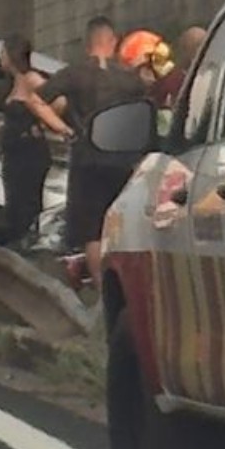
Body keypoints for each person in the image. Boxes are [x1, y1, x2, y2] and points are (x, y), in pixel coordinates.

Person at [27, 16, 148, 290]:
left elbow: (35, 99)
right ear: (112, 41)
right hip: (123, 160)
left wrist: (62, 128)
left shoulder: (74, 74)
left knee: (92, 231)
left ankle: (103, 290)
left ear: (87, 44)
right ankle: (127, 286)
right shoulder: (128, 79)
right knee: (122, 222)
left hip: (88, 159)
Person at [0, 33, 70, 249]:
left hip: (29, 152)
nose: (0, 57)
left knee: (26, 200)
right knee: (14, 200)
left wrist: (43, 120)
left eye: (3, 52)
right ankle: (17, 240)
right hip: (13, 152)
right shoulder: (12, 82)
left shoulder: (31, 79)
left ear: (12, 55)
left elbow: (60, 102)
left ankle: (27, 242)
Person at [152, 25, 207, 112]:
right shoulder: (171, 82)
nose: (202, 51)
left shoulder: (216, 75)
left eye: (205, 45)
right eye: (197, 46)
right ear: (184, 50)